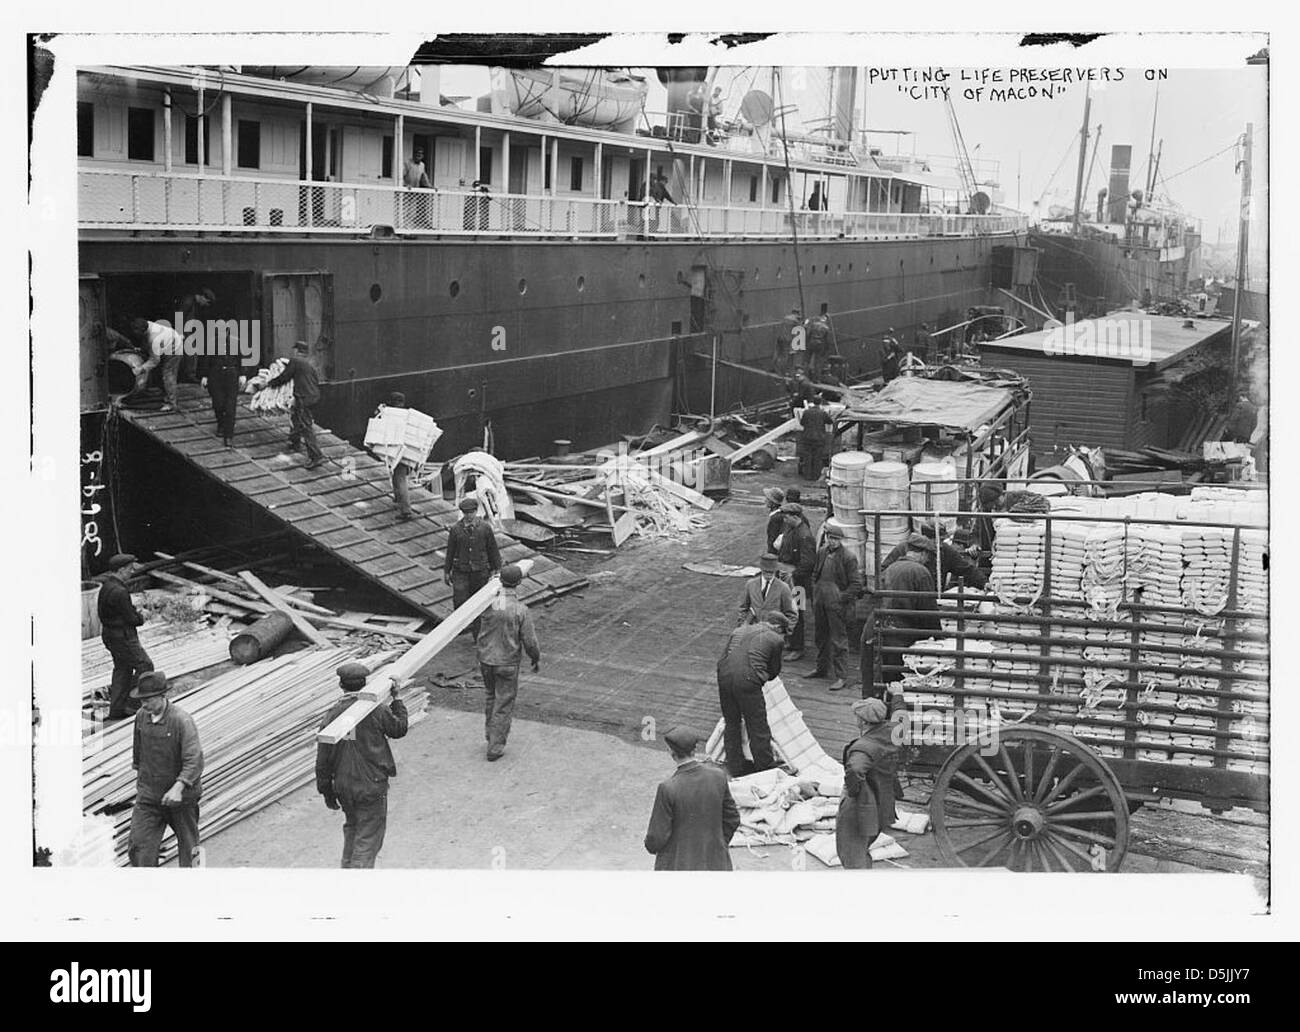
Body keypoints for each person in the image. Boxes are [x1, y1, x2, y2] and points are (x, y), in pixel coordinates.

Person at [315, 662, 409, 868]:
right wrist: (397, 699)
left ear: (341, 685)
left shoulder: (332, 716)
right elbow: (399, 729)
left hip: (344, 786)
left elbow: (322, 761)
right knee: (368, 837)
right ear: (365, 684)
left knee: (353, 829)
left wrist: (327, 792)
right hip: (370, 785)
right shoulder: (376, 711)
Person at [127, 670, 204, 868]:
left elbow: (194, 760)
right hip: (149, 797)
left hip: (181, 797)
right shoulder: (141, 717)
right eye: (141, 700)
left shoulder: (181, 721)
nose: (144, 705)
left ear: (163, 696)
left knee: (191, 848)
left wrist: (178, 788)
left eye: (149, 700)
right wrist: (143, 785)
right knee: (139, 847)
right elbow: (139, 755)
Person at [644, 727, 741, 870]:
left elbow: (656, 838)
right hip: (716, 863)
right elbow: (732, 819)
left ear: (671, 752)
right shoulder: (718, 776)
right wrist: (718, 843)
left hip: (679, 865)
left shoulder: (668, 788)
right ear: (695, 750)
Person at [475, 564, 540, 762]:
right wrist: (535, 658)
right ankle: (495, 746)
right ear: (519, 583)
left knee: (490, 697)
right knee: (503, 703)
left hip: (486, 659)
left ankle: (490, 735)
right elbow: (530, 641)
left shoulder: (490, 604)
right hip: (507, 662)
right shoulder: (520, 609)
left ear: (500, 580)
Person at [866, 534, 942, 692]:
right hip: (903, 633)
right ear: (923, 554)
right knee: (903, 680)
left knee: (885, 677)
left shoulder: (890, 568)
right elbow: (928, 609)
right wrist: (938, 637)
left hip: (883, 629)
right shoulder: (920, 572)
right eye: (927, 556)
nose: (927, 560)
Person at [835, 697, 902, 870]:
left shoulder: (863, 747)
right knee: (862, 847)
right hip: (883, 802)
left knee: (852, 853)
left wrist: (852, 792)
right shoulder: (893, 732)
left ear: (863, 721)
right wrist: (898, 697)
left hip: (861, 805)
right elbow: (902, 719)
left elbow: (856, 770)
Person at [716, 612, 786, 778]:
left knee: (731, 722)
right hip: (747, 681)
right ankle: (766, 768)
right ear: (778, 627)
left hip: (724, 676)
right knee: (757, 726)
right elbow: (774, 671)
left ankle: (735, 766)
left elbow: (724, 657)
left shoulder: (739, 630)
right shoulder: (776, 639)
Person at [97, 553, 153, 721]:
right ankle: (133, 705)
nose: (131, 573)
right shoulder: (120, 591)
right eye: (129, 570)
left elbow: (113, 612)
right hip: (123, 636)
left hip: (110, 635)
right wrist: (143, 616)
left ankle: (116, 710)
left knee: (122, 669)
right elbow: (132, 619)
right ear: (121, 570)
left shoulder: (106, 586)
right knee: (145, 665)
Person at [809, 522, 863, 692]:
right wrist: (815, 592)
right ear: (826, 537)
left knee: (839, 641)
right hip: (820, 602)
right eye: (830, 538)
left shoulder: (848, 557)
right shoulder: (822, 552)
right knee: (820, 636)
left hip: (836, 606)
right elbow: (815, 574)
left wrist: (841, 598)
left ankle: (841, 676)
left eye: (836, 539)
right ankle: (821, 668)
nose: (832, 542)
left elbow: (856, 585)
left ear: (841, 540)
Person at [256, 340, 324, 469]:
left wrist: (268, 384)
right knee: (295, 416)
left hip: (304, 398)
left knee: (306, 426)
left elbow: (284, 377)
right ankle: (294, 441)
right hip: (313, 396)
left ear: (297, 351)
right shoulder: (310, 363)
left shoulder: (295, 361)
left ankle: (316, 456)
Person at [444, 496, 502, 639]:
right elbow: (450, 551)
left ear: (476, 511)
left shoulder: (485, 528)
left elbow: (492, 549)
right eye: (466, 513)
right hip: (461, 570)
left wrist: (497, 568)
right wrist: (447, 570)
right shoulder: (456, 530)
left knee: (480, 603)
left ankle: (478, 634)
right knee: (460, 599)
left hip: (480, 571)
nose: (469, 516)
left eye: (471, 512)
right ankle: (461, 628)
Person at [881, 522, 987, 590]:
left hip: (932, 597)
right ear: (927, 538)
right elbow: (884, 571)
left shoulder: (945, 551)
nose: (940, 544)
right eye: (938, 541)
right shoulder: (903, 549)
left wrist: (984, 583)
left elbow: (966, 570)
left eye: (942, 540)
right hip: (906, 597)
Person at [778, 502, 816, 661]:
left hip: (798, 581)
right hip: (787, 577)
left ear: (795, 517)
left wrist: (793, 574)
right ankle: (791, 641)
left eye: (787, 517)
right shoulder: (792, 529)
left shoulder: (804, 535)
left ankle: (798, 648)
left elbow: (808, 562)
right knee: (787, 610)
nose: (785, 520)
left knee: (797, 613)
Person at [199, 327, 246, 448]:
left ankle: (228, 436)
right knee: (218, 404)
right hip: (216, 376)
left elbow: (241, 359)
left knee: (230, 407)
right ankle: (220, 424)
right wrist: (204, 376)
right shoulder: (211, 344)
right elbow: (205, 360)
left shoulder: (236, 342)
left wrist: (242, 375)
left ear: (227, 333)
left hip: (231, 375)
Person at [132, 316, 185, 412]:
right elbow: (146, 340)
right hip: (167, 341)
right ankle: (164, 393)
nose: (136, 335)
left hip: (175, 348)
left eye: (138, 333)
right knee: (160, 372)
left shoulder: (154, 339)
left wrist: (141, 369)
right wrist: (142, 349)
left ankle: (171, 403)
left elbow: (155, 361)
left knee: (168, 375)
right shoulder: (147, 325)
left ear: (143, 331)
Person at [378, 392, 414, 520]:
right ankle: (398, 498)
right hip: (406, 451)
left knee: (400, 478)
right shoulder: (408, 415)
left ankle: (406, 510)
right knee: (397, 476)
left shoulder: (391, 415)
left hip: (396, 451)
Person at [737, 553, 796, 631]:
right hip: (754, 632)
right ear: (761, 569)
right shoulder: (750, 585)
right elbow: (743, 609)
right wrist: (743, 626)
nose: (769, 574)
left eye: (771, 572)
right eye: (766, 571)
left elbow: (792, 615)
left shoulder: (783, 587)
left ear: (776, 570)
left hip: (774, 634)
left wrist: (782, 630)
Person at [797, 393, 832, 481]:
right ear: (820, 402)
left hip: (807, 438)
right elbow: (830, 421)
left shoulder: (807, 412)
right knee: (817, 458)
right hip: (819, 439)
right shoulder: (823, 413)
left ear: (813, 402)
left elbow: (802, 423)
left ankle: (807, 476)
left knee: (808, 457)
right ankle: (815, 476)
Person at [403, 147, 433, 227]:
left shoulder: (422, 165)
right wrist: (405, 185)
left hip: (414, 191)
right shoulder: (407, 163)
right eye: (417, 153)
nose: (418, 155)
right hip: (405, 191)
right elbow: (401, 175)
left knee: (412, 212)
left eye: (420, 154)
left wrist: (430, 186)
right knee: (404, 210)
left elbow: (424, 177)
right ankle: (403, 229)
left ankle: (410, 230)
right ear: (414, 154)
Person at [774, 306, 802, 375]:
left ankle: (776, 369)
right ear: (797, 313)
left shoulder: (785, 317)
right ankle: (782, 373)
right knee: (785, 356)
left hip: (780, 338)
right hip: (787, 340)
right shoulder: (795, 320)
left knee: (778, 354)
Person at [807, 313, 833, 382]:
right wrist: (827, 348)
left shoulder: (813, 325)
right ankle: (816, 379)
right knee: (818, 362)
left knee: (808, 360)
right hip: (819, 345)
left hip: (811, 343)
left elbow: (808, 334)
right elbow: (826, 340)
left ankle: (807, 375)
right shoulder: (826, 328)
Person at [762, 487, 786, 551]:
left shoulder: (775, 518)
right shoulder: (780, 514)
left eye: (767, 498)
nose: (765, 500)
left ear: (772, 502)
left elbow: (773, 539)